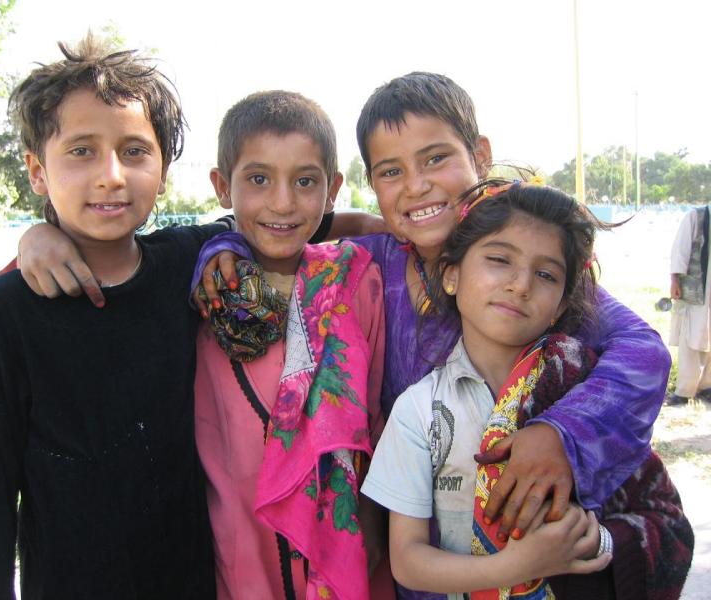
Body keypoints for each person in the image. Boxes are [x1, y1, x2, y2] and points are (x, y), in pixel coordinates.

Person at [195, 72, 671, 544]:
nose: (416, 186)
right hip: (418, 558)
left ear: (480, 156)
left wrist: (562, 436)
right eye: (391, 171)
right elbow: (286, 226)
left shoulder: (528, 267)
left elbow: (644, 353)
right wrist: (224, 243)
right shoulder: (372, 262)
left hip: (531, 549)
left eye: (436, 159)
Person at [0, 37, 224, 599]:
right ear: (37, 171)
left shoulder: (186, 264)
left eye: (134, 150)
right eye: (81, 151)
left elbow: (283, 220)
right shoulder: (6, 311)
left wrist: (372, 222)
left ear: (164, 169)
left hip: (194, 583)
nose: (111, 175)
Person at [361, 180, 694, 599]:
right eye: (500, 260)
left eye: (545, 274)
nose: (521, 285)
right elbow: (408, 560)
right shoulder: (420, 411)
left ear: (559, 307)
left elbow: (655, 510)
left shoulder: (584, 397)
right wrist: (514, 567)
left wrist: (596, 542)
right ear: (451, 275)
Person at [191, 90, 392, 599]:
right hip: (241, 556)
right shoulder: (204, 286)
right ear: (221, 186)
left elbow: (372, 417)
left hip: (351, 549)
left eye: (305, 182)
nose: (282, 202)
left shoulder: (358, 282)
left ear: (332, 190)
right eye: (258, 179)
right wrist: (41, 236)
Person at [666, 205, 711, 406]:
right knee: (689, 338)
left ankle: (706, 386)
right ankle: (685, 390)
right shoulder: (696, 216)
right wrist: (674, 279)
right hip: (696, 289)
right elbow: (680, 250)